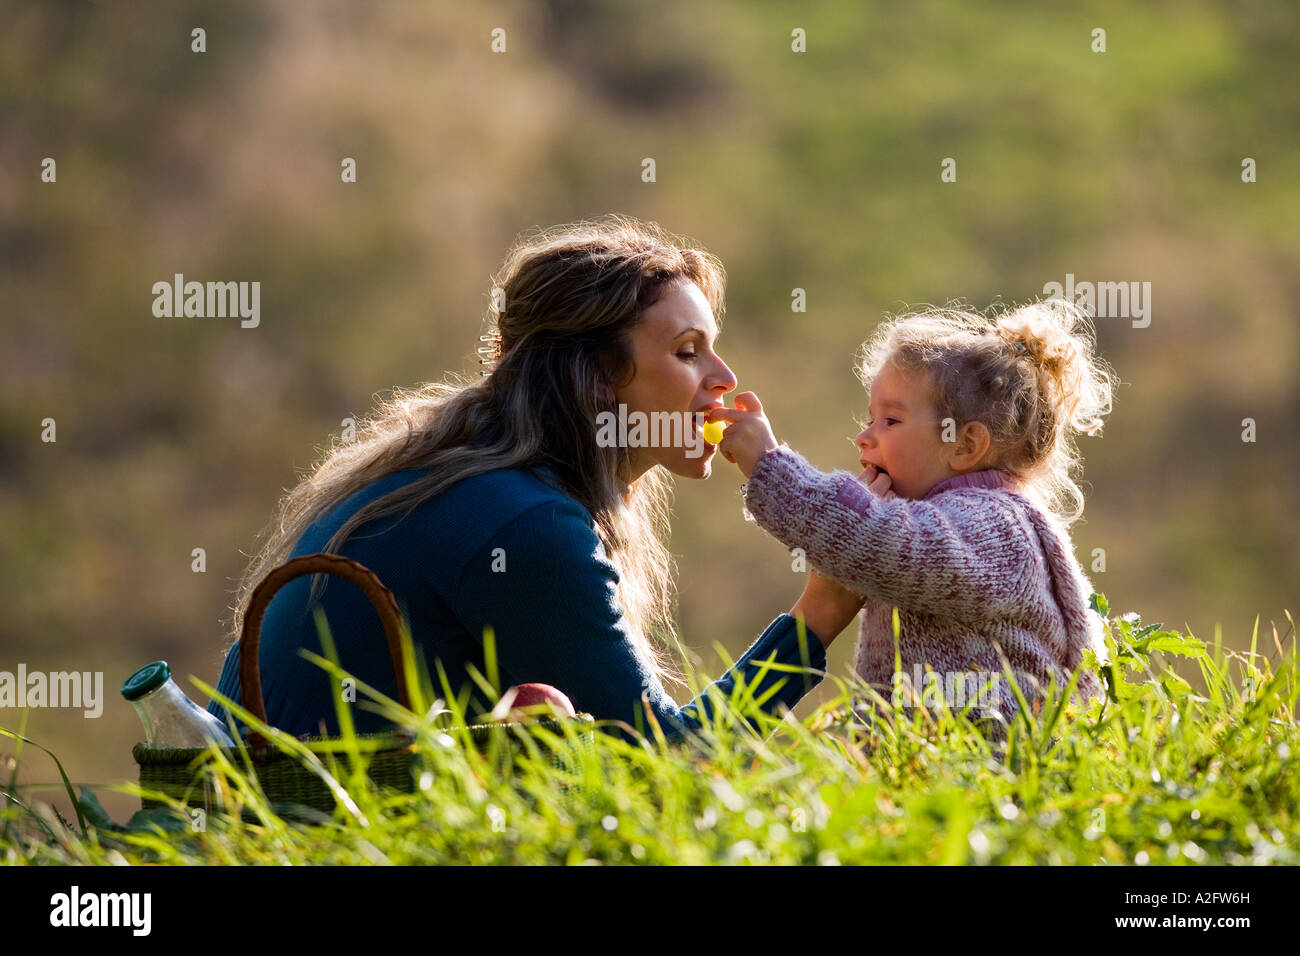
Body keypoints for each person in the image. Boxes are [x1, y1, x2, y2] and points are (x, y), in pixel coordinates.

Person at [206, 216, 864, 743]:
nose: (723, 378)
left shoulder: (464, 479)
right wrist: (821, 611)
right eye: (687, 352)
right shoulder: (523, 526)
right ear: (599, 379)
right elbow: (671, 763)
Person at [708, 299, 1117, 735]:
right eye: (870, 419)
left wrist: (770, 465)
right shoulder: (956, 517)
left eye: (890, 420)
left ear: (964, 446)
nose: (863, 438)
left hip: (986, 780)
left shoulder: (997, 524)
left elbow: (879, 542)